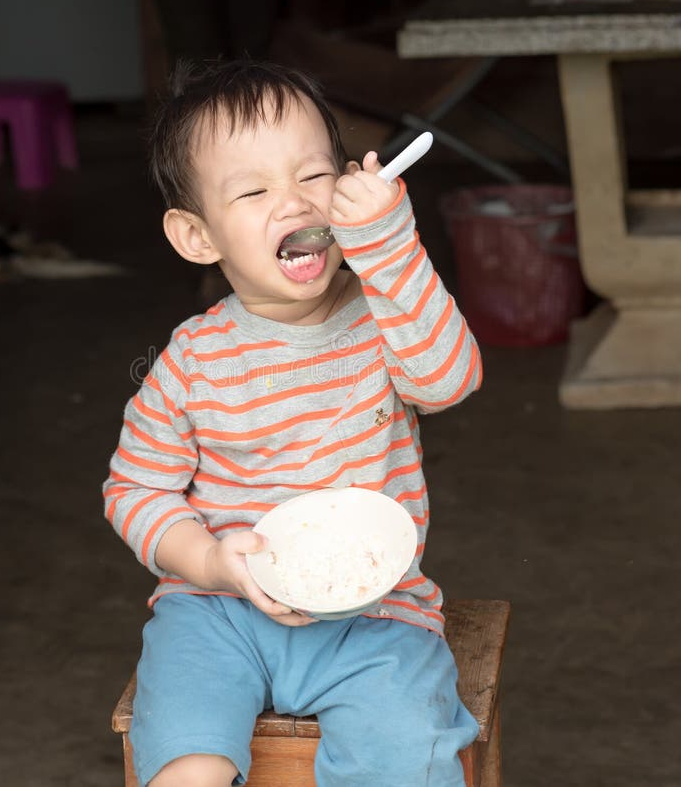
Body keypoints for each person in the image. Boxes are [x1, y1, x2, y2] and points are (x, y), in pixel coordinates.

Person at [103, 58, 483, 787]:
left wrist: (392, 245)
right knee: (186, 761)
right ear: (196, 236)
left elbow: (450, 379)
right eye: (252, 190)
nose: (293, 204)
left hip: (378, 621)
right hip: (215, 615)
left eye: (313, 178)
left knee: (408, 747)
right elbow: (135, 492)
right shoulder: (191, 361)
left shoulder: (386, 317)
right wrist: (212, 563)